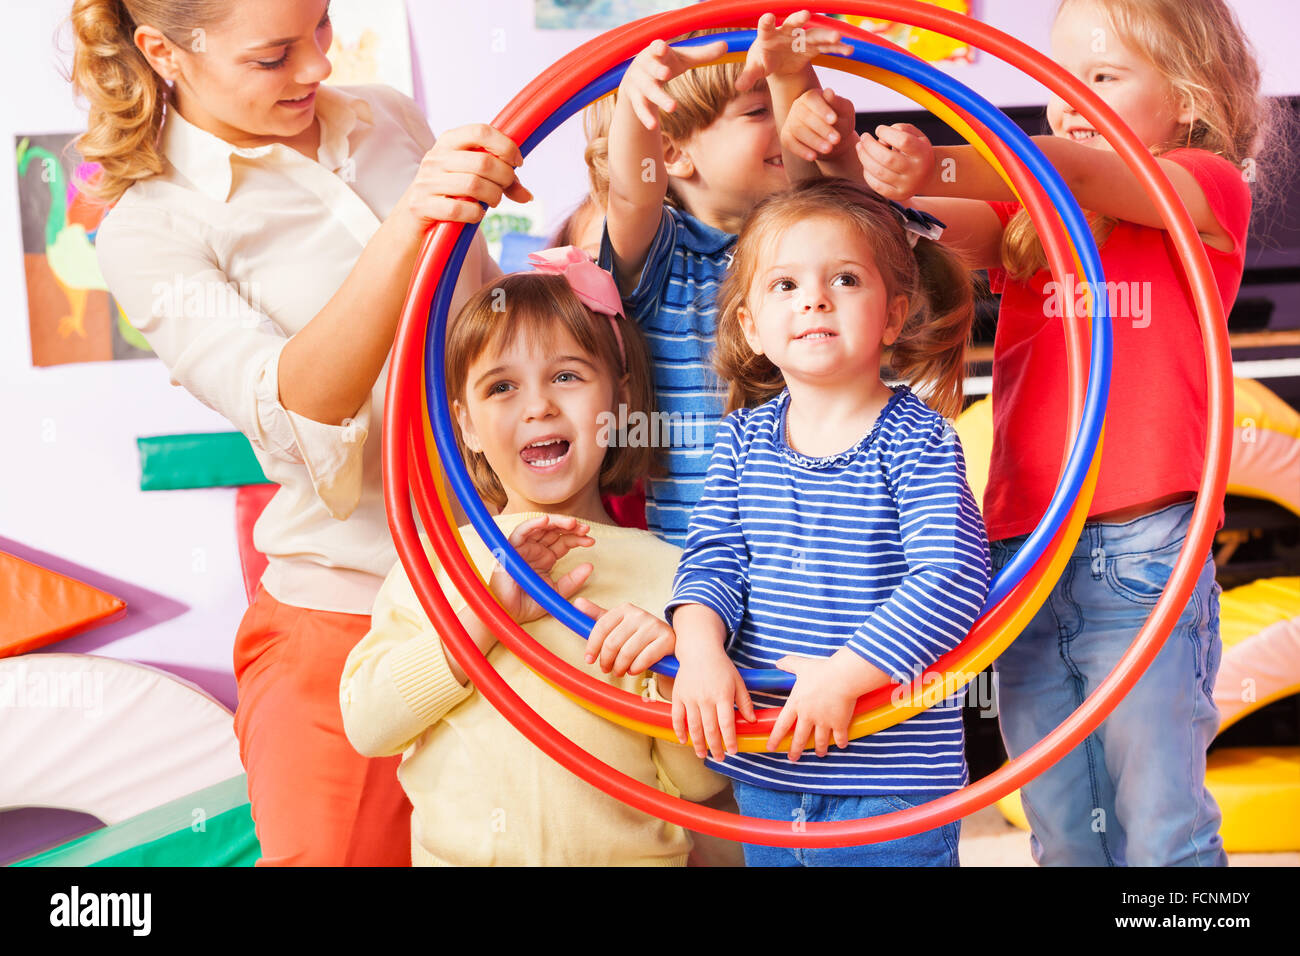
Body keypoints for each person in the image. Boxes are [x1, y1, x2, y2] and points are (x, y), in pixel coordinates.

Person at [74, 0, 529, 865]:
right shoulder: (150, 228)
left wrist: (632, 184)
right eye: (274, 54)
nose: (317, 66)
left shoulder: (389, 116)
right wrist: (406, 227)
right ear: (165, 52)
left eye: (321, 26)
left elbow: (489, 322)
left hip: (514, 589)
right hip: (343, 621)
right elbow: (297, 409)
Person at [837, 0, 1279, 865]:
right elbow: (927, 226)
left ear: (1187, 97)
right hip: (1026, 552)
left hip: (1145, 550)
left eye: (1104, 78)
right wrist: (889, 174)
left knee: (1161, 827)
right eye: (1059, 82)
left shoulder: (1205, 189)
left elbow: (1074, 168)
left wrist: (947, 157)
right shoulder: (1026, 218)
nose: (1073, 100)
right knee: (1066, 830)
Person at [339, 250, 742, 866]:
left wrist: (670, 672)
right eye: (502, 387)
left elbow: (698, 784)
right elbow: (369, 724)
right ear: (464, 425)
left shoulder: (676, 579)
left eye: (566, 377)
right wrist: (485, 616)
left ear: (622, 402)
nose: (538, 408)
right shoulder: (441, 565)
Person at [659, 178, 992, 866]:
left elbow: (952, 577)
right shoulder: (743, 439)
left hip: (891, 786)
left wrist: (844, 676)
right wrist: (698, 652)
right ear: (750, 325)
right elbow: (714, 562)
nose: (813, 299)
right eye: (784, 285)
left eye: (844, 278)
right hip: (771, 773)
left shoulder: (920, 441)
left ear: (893, 316)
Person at [599, 12, 851, 546]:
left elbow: (818, 194)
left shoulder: (803, 248)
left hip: (819, 563)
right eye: (759, 110)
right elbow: (631, 194)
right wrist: (635, 103)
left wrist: (790, 79)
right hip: (697, 570)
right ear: (672, 153)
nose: (783, 125)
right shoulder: (665, 255)